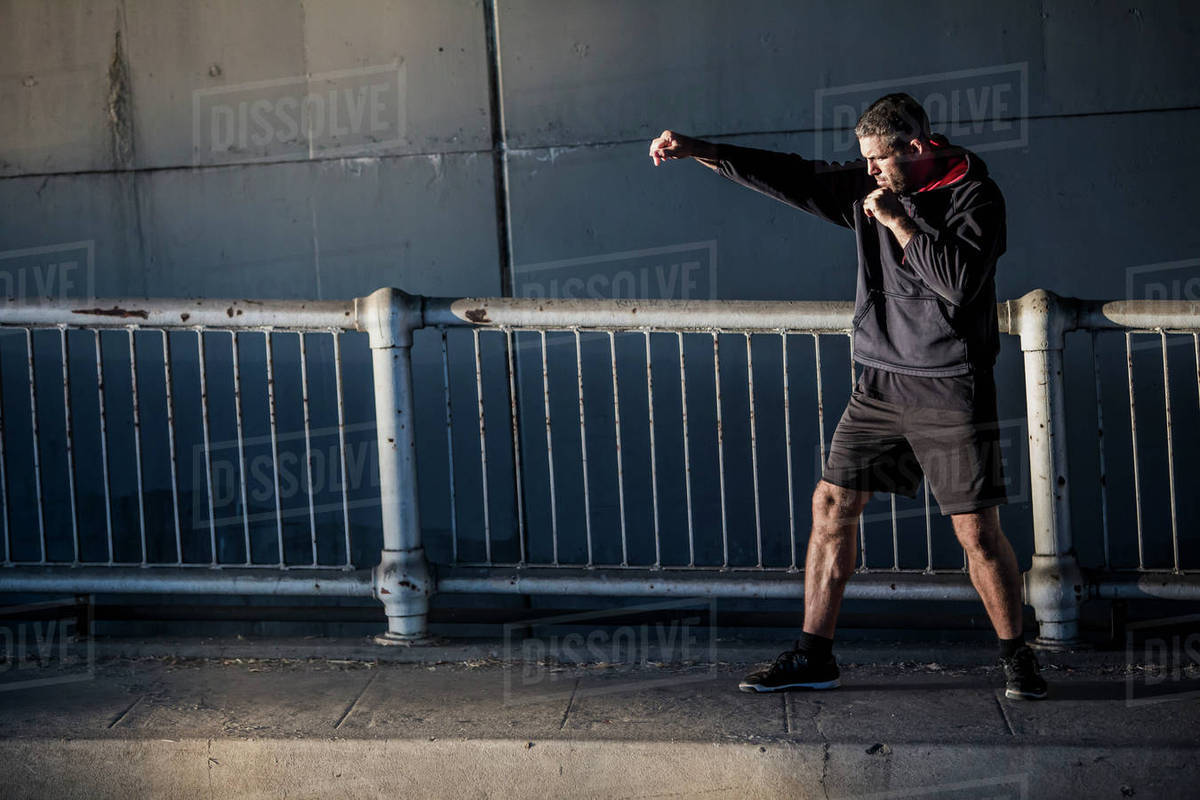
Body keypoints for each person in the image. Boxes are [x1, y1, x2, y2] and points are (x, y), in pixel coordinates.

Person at [648, 93, 1047, 700]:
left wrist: (899, 221)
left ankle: (1018, 657)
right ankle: (815, 656)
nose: (869, 172)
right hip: (880, 383)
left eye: (879, 160)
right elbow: (790, 175)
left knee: (976, 532)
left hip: (949, 385)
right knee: (832, 506)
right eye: (863, 161)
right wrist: (697, 150)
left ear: (916, 148)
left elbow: (960, 286)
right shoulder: (870, 190)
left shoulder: (975, 197)